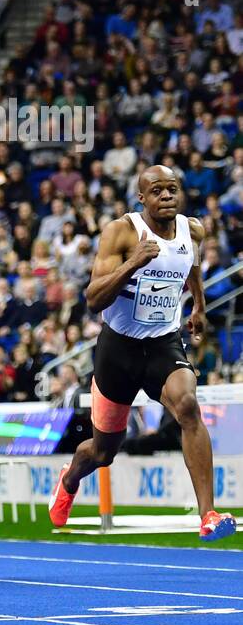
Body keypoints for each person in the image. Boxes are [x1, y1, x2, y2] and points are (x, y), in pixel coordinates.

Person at [50, 165, 235, 541]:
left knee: (187, 405)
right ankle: (69, 479)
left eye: (172, 190)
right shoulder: (121, 232)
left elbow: (191, 264)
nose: (166, 196)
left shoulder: (192, 229)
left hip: (164, 343)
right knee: (103, 452)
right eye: (157, 191)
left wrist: (198, 306)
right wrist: (134, 262)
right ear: (142, 198)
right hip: (118, 349)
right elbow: (92, 299)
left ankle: (208, 515)